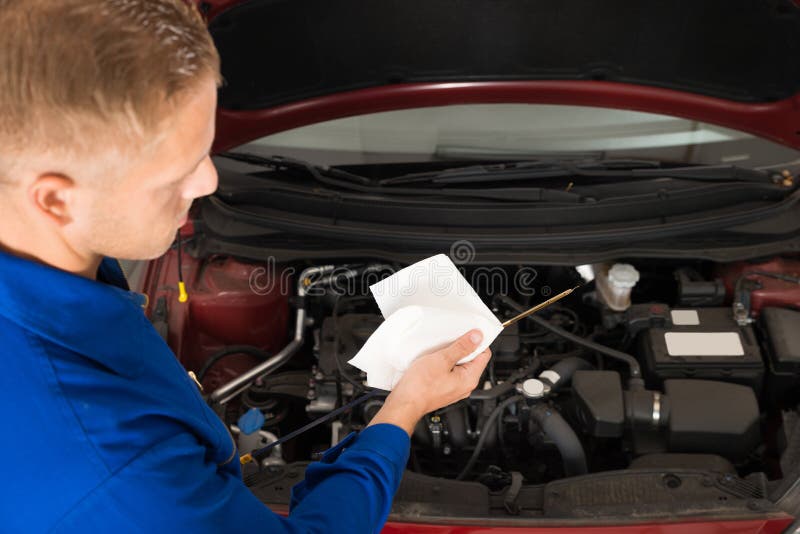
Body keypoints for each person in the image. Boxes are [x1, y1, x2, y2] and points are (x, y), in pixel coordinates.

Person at [0, 1, 492, 532]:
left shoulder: (61, 253)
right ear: (54, 199)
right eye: (178, 172)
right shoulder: (121, 473)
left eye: (208, 149)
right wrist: (403, 408)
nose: (210, 183)